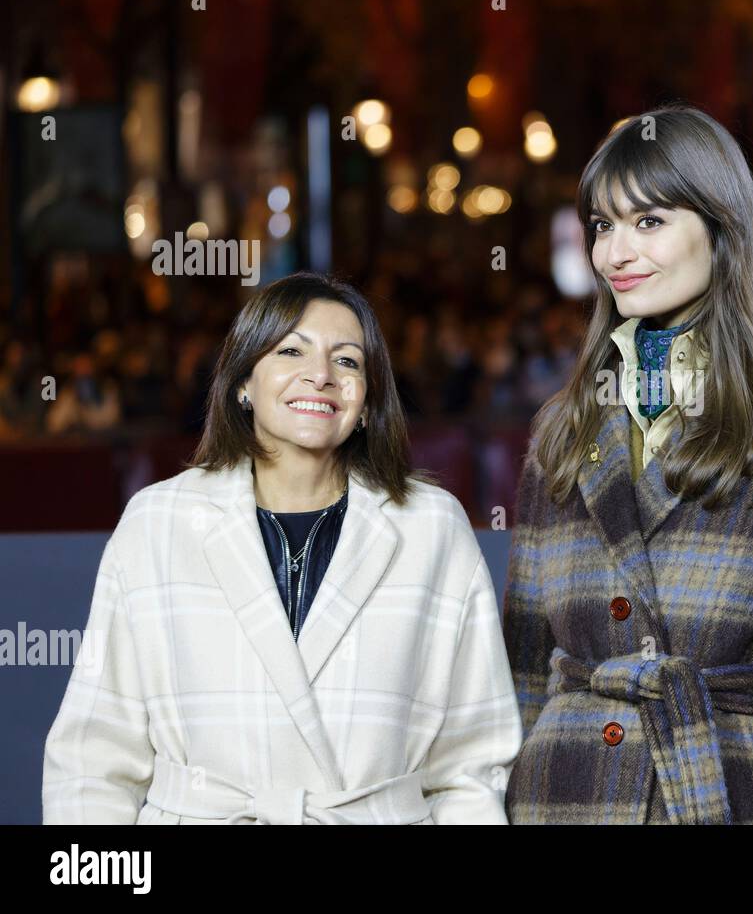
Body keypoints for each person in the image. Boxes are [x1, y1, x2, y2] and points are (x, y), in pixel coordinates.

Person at [502, 105, 753, 824]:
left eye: (649, 222)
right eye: (602, 225)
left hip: (724, 791)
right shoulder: (564, 425)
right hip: (559, 796)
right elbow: (523, 676)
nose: (616, 251)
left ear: (723, 228)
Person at [43, 273, 521, 824]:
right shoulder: (159, 522)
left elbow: (471, 765)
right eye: (291, 350)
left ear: (366, 401)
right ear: (244, 382)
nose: (320, 375)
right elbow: (93, 757)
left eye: (346, 361)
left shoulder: (431, 526)